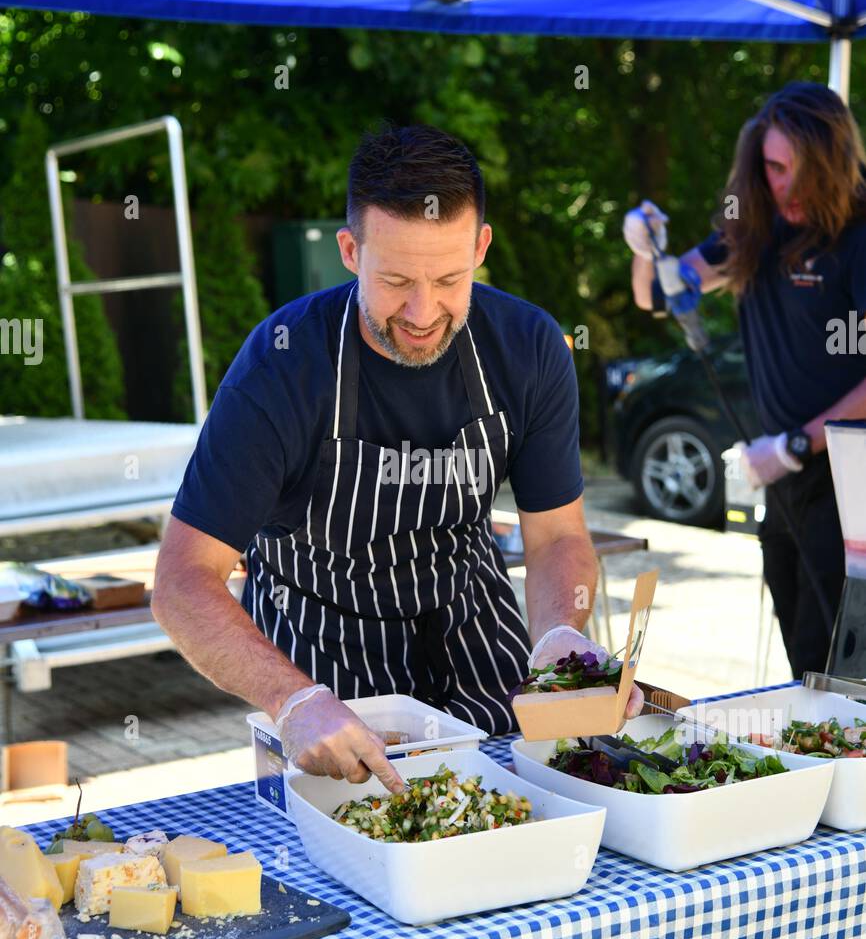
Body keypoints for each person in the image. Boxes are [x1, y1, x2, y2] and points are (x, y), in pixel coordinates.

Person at [153, 124, 641, 790]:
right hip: (325, 664)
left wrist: (559, 638)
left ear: (481, 246)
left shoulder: (528, 347)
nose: (422, 311)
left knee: (511, 823)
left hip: (476, 635)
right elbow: (182, 581)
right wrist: (291, 702)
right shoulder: (282, 365)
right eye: (395, 280)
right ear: (351, 251)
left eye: (448, 279)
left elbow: (557, 534)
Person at [625, 82, 866, 678]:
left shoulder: (859, 235)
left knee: (843, 673)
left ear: (831, 162)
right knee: (803, 665)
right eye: (771, 167)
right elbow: (658, 291)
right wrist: (643, 245)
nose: (781, 183)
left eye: (794, 169)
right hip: (783, 484)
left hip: (851, 483)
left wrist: (793, 445)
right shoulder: (754, 228)